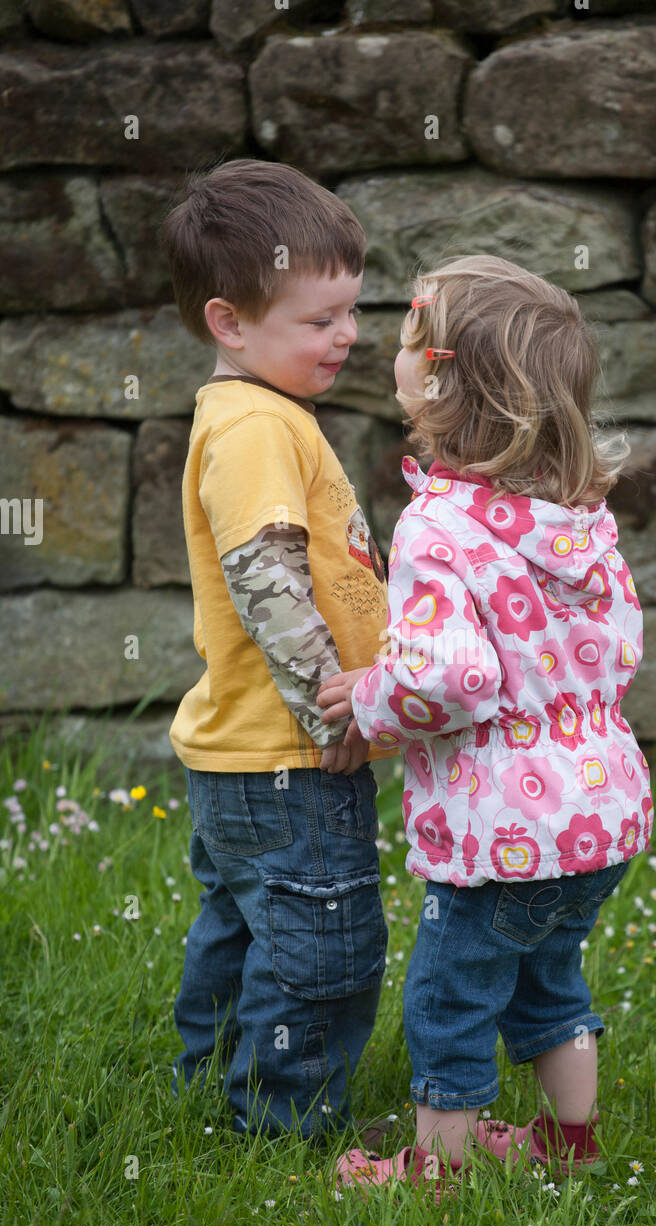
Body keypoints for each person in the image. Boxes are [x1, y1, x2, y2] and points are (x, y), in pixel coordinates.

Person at [316, 255, 654, 1192]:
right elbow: (619, 642)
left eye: (403, 338)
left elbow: (451, 678)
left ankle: (438, 1167)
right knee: (549, 978)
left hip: (507, 829)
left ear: (439, 377)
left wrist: (373, 693)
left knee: (449, 996)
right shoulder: (579, 518)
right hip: (603, 810)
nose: (383, 349)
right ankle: (571, 1140)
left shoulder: (439, 527)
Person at [160, 158, 394, 1139]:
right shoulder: (256, 424)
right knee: (320, 945)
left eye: (348, 311)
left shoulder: (252, 412)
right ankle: (282, 1124)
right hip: (292, 754)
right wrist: (330, 703)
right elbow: (265, 576)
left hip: (244, 758)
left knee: (242, 926)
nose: (346, 335)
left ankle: (206, 1084)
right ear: (229, 322)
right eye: (318, 319)